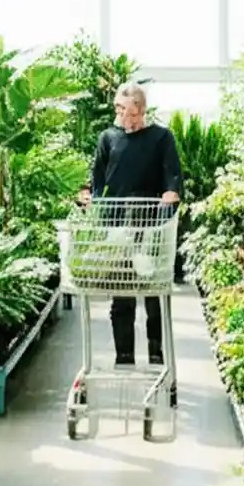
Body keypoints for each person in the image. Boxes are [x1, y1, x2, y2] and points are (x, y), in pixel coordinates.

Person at [79, 82, 182, 366]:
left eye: (131, 112)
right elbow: (98, 179)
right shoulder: (108, 138)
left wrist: (171, 192)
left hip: (151, 225)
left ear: (142, 111)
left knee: (153, 293)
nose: (125, 118)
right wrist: (89, 196)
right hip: (117, 225)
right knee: (122, 292)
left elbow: (172, 173)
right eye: (120, 110)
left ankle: (155, 352)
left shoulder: (161, 137)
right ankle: (123, 354)